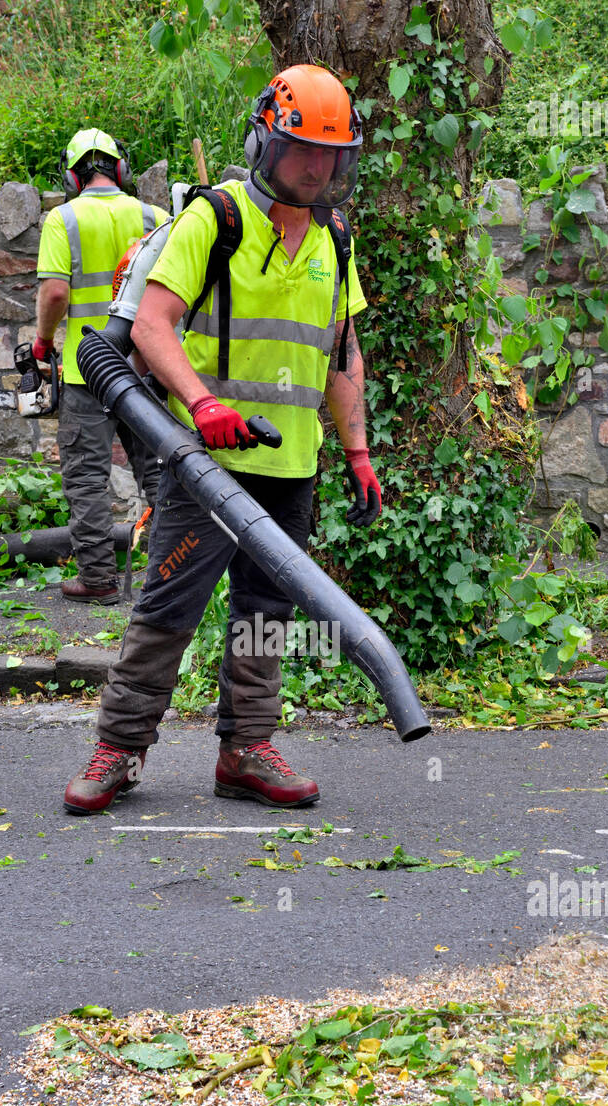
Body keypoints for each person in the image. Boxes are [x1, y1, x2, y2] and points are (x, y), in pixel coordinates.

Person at [64, 66, 383, 814]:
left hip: (290, 467)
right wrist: (201, 404)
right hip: (205, 467)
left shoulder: (335, 238)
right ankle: (118, 748)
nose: (317, 166)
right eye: (303, 149)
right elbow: (149, 324)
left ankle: (246, 750)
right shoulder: (216, 218)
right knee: (166, 608)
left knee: (266, 614)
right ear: (266, 142)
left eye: (331, 155)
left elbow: (341, 354)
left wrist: (359, 453)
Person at [35, 128, 169, 604]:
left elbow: (54, 294)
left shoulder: (62, 220)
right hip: (144, 366)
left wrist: (42, 340)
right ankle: (169, 574)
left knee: (87, 478)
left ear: (72, 176)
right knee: (159, 469)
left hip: (85, 372)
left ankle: (98, 580)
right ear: (121, 169)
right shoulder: (157, 217)